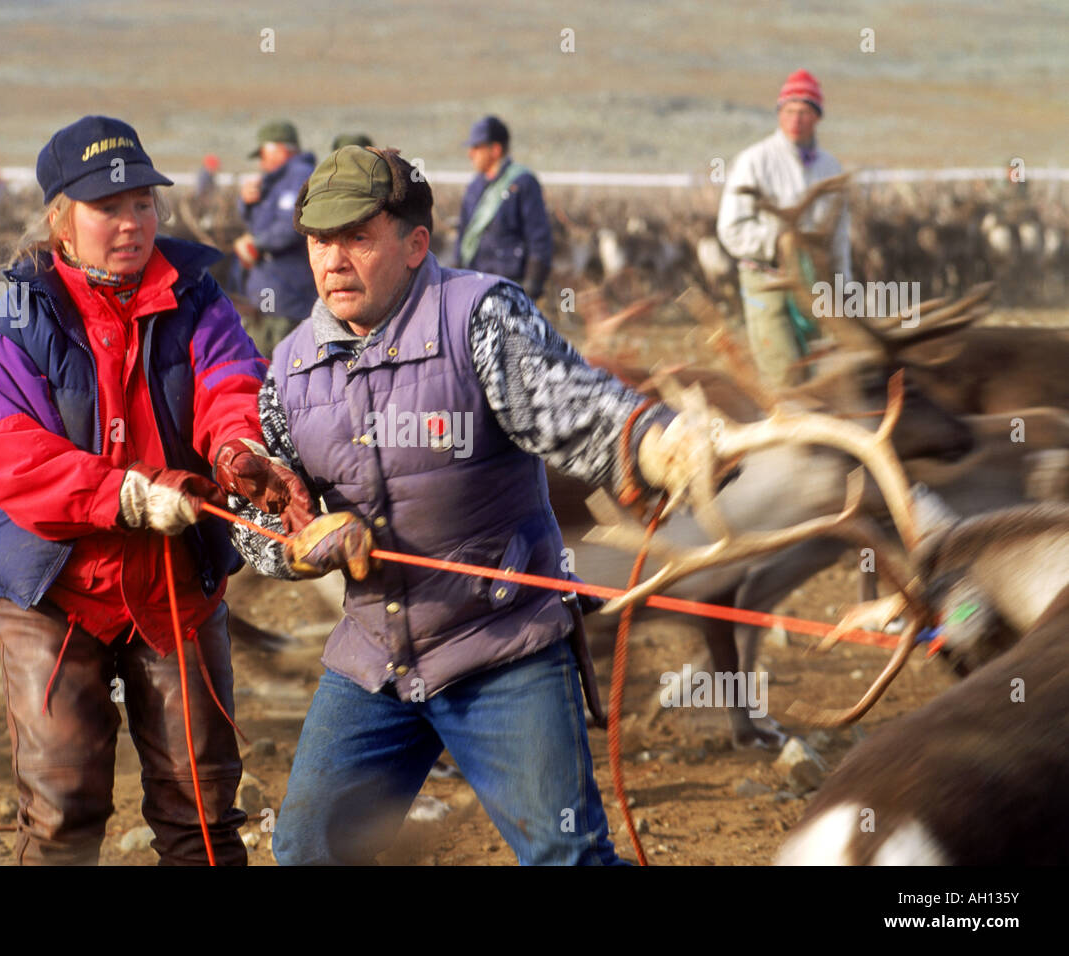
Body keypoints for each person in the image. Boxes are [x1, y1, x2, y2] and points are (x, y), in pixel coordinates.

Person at [229, 145, 726, 865]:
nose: (332, 260)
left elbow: (567, 405)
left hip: (502, 645)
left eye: (357, 238)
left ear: (415, 243)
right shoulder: (291, 367)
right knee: (308, 850)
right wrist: (296, 543)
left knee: (567, 855)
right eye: (319, 241)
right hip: (375, 660)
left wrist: (654, 441)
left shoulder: (481, 317)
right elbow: (263, 517)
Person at [0, 115, 315, 866]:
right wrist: (125, 496)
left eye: (143, 204)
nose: (132, 223)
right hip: (54, 588)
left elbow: (229, 381)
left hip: (171, 579)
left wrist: (238, 449)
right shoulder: (17, 324)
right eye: (108, 208)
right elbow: (11, 458)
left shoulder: (196, 296)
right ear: (61, 220)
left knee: (203, 808)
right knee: (62, 810)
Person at [717, 69, 851, 387]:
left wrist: (844, 288)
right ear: (779, 113)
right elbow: (730, 228)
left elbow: (839, 239)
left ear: (817, 117)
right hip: (767, 281)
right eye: (789, 111)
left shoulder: (831, 169)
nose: (796, 119)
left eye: (804, 112)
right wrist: (777, 242)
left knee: (819, 375)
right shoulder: (754, 161)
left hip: (815, 285)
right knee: (785, 377)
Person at [233, 119, 318, 356]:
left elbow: (292, 225)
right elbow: (259, 220)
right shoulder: (274, 180)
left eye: (263, 153)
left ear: (280, 149)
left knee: (279, 364)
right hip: (268, 295)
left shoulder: (300, 176)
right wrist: (246, 203)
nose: (260, 162)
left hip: (288, 296)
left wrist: (255, 244)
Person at [456, 115, 553, 300]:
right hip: (475, 285)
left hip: (511, 285)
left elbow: (539, 238)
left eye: (477, 147)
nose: (470, 154)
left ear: (495, 149)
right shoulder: (474, 188)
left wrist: (532, 285)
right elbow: (464, 236)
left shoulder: (523, 183)